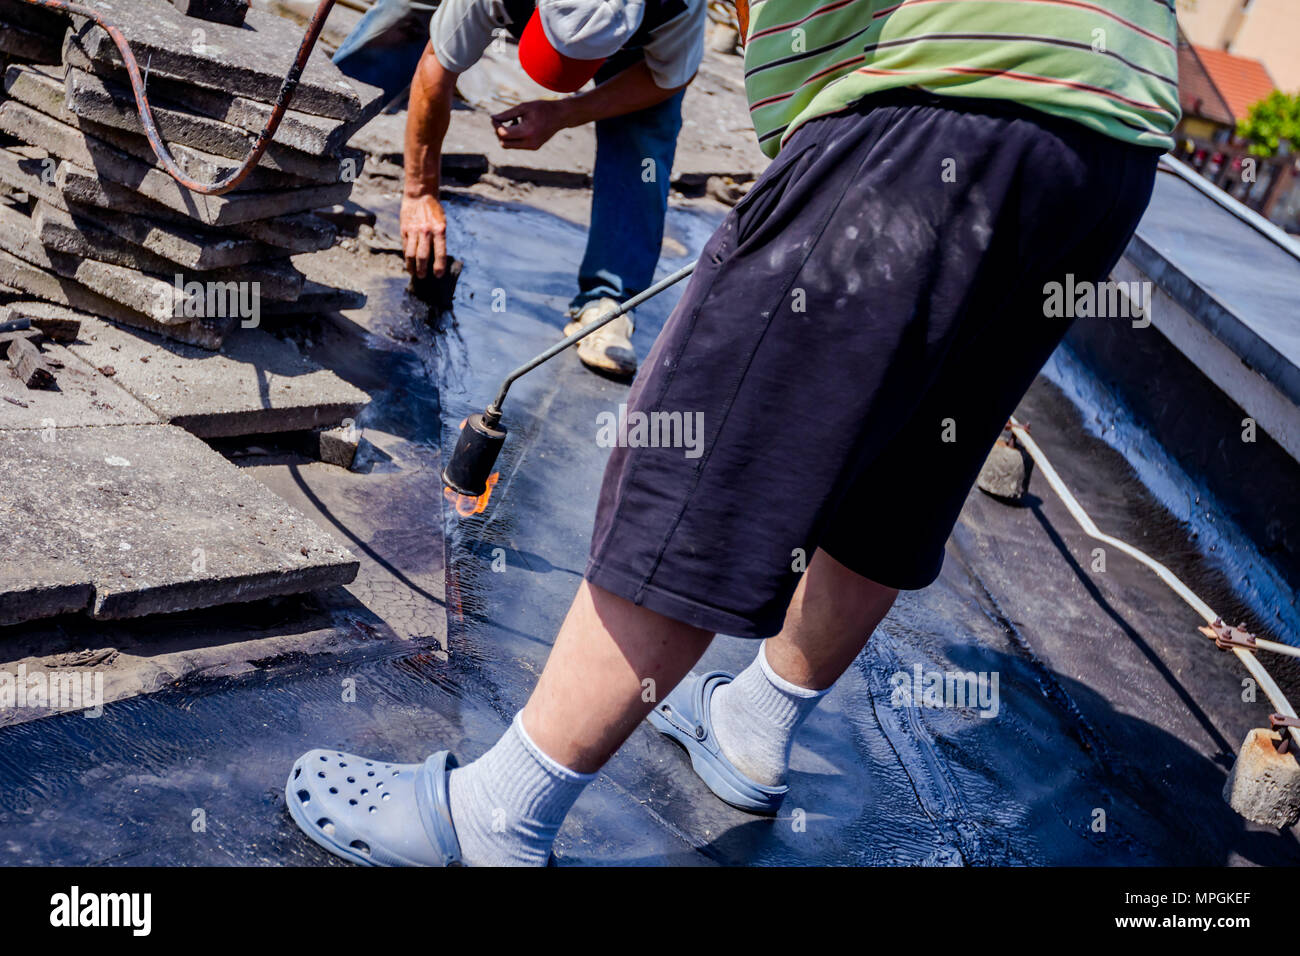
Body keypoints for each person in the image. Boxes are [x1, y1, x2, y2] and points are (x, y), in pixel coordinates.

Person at [287, 0, 1180, 865]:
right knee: (904, 460)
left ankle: (497, 817)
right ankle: (755, 723)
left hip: (944, 101)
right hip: (1106, 131)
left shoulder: (670, 24)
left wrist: (819, 175)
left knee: (709, 443)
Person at [394, 0, 706, 376]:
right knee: (399, 23)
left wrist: (564, 113)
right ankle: (319, 152)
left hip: (637, 37)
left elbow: (669, 76)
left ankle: (608, 302)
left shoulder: (677, 7)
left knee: (644, 136)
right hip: (514, 8)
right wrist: (420, 193)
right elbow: (436, 69)